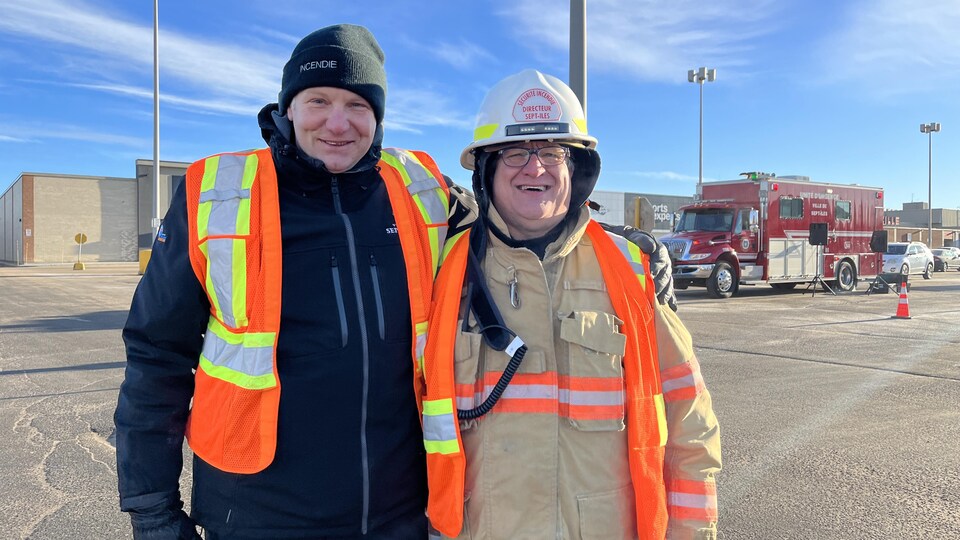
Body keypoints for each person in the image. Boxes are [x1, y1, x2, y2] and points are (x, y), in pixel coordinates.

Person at [114, 24, 455, 539]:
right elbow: (157, 353)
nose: (338, 123)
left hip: (401, 511)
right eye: (319, 100)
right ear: (288, 107)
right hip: (258, 513)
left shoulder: (421, 189)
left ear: (378, 117)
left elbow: (514, 229)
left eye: (358, 105)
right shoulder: (218, 195)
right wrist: (151, 509)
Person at [420, 70, 721, 539]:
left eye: (552, 152)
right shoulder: (444, 274)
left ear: (576, 169)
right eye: (515, 152)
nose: (534, 168)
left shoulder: (630, 272)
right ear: (485, 171)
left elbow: (689, 425)